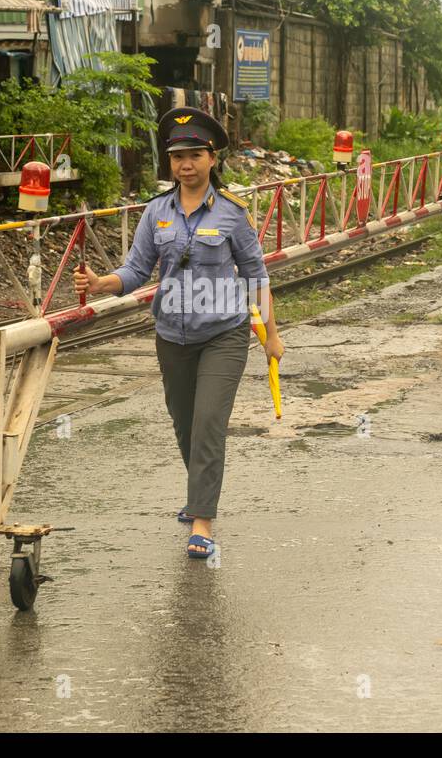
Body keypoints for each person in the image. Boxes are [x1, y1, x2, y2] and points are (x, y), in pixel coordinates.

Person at [74, 106, 285, 559]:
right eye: (176, 157)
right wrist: (100, 285)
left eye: (193, 155)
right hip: (171, 335)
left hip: (224, 334)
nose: (185, 164)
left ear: (212, 159)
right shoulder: (156, 213)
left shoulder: (232, 213)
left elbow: (255, 275)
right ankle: (200, 492)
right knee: (185, 424)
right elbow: (135, 270)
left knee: (209, 423)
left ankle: (203, 520)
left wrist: (271, 334)